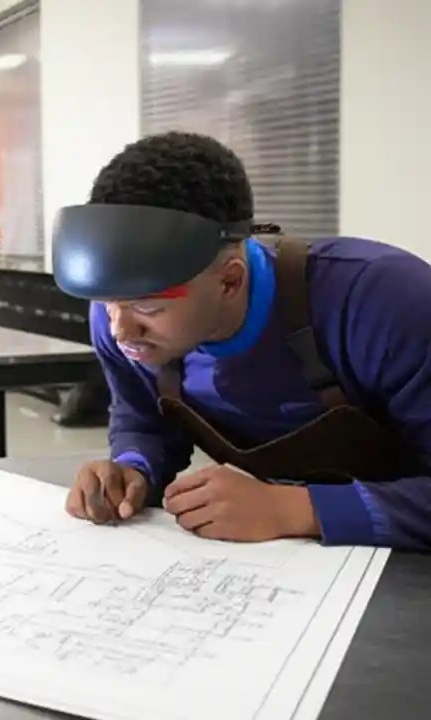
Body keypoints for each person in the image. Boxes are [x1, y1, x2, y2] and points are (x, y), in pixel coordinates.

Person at [52, 131, 431, 550]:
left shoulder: (382, 302)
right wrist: (132, 468)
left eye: (149, 308)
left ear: (230, 280)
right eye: (107, 303)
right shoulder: (122, 318)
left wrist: (296, 510)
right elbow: (144, 421)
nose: (120, 331)